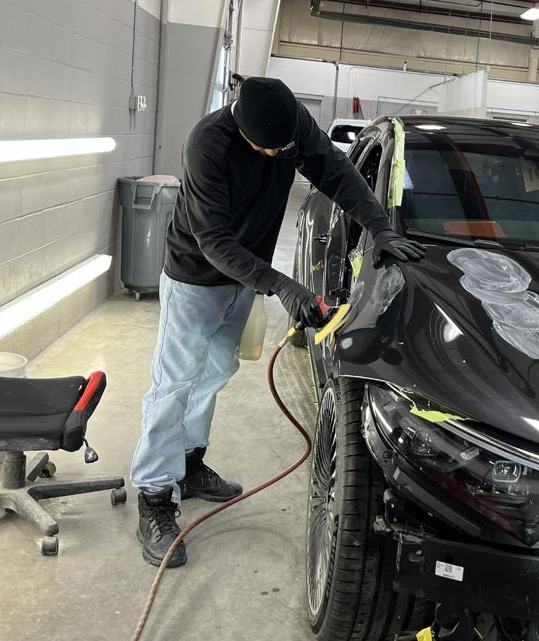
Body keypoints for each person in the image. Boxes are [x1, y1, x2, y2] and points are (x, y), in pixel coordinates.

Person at [130, 77, 426, 567]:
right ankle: (155, 496)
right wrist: (283, 286)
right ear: (240, 127)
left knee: (215, 372)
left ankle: (187, 463)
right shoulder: (207, 144)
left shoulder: (291, 126)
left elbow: (335, 171)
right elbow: (213, 240)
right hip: (194, 277)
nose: (275, 155)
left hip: (244, 276)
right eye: (265, 148)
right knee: (174, 382)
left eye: (282, 148)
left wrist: (378, 226)